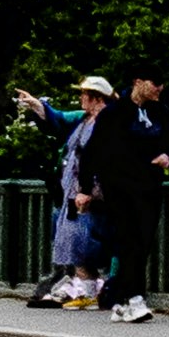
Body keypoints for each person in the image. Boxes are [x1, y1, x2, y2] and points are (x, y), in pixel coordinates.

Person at [81, 74, 169, 320]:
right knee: (129, 240)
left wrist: (167, 155)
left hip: (149, 187)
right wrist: (85, 189)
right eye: (155, 82)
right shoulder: (114, 114)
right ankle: (135, 298)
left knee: (143, 243)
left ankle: (118, 298)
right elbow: (93, 151)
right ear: (138, 81)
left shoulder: (159, 112)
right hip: (120, 188)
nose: (159, 87)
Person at [31, 72, 107, 304]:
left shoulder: (107, 122)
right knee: (74, 238)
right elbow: (58, 119)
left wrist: (90, 190)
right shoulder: (82, 119)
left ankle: (94, 289)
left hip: (92, 192)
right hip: (73, 192)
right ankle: (86, 288)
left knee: (90, 239)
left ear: (96, 98)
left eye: (85, 94)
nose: (81, 98)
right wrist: (38, 106)